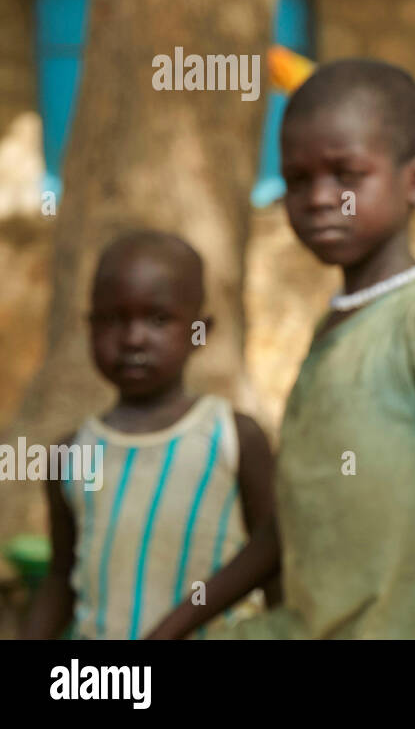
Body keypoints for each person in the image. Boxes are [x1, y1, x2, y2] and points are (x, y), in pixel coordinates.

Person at [148, 59, 415, 639]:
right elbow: (288, 526)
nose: (318, 199)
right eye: (296, 179)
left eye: (346, 175)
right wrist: (171, 628)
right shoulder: (333, 330)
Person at [21, 231, 275, 639]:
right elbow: (61, 577)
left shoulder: (234, 438)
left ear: (200, 331)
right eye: (113, 320)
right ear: (89, 328)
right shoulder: (69, 454)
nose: (133, 338)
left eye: (158, 319)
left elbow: (273, 560)